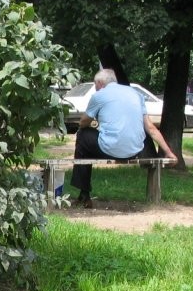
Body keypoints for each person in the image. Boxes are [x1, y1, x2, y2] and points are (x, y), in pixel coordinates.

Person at [70, 68, 176, 208]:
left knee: (83, 135)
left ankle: (84, 195)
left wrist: (87, 124)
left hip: (110, 149)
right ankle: (84, 195)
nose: (95, 89)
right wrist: (169, 152)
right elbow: (150, 128)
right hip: (134, 151)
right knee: (87, 144)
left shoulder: (99, 95)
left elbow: (84, 122)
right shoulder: (136, 94)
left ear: (100, 83)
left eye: (95, 85)